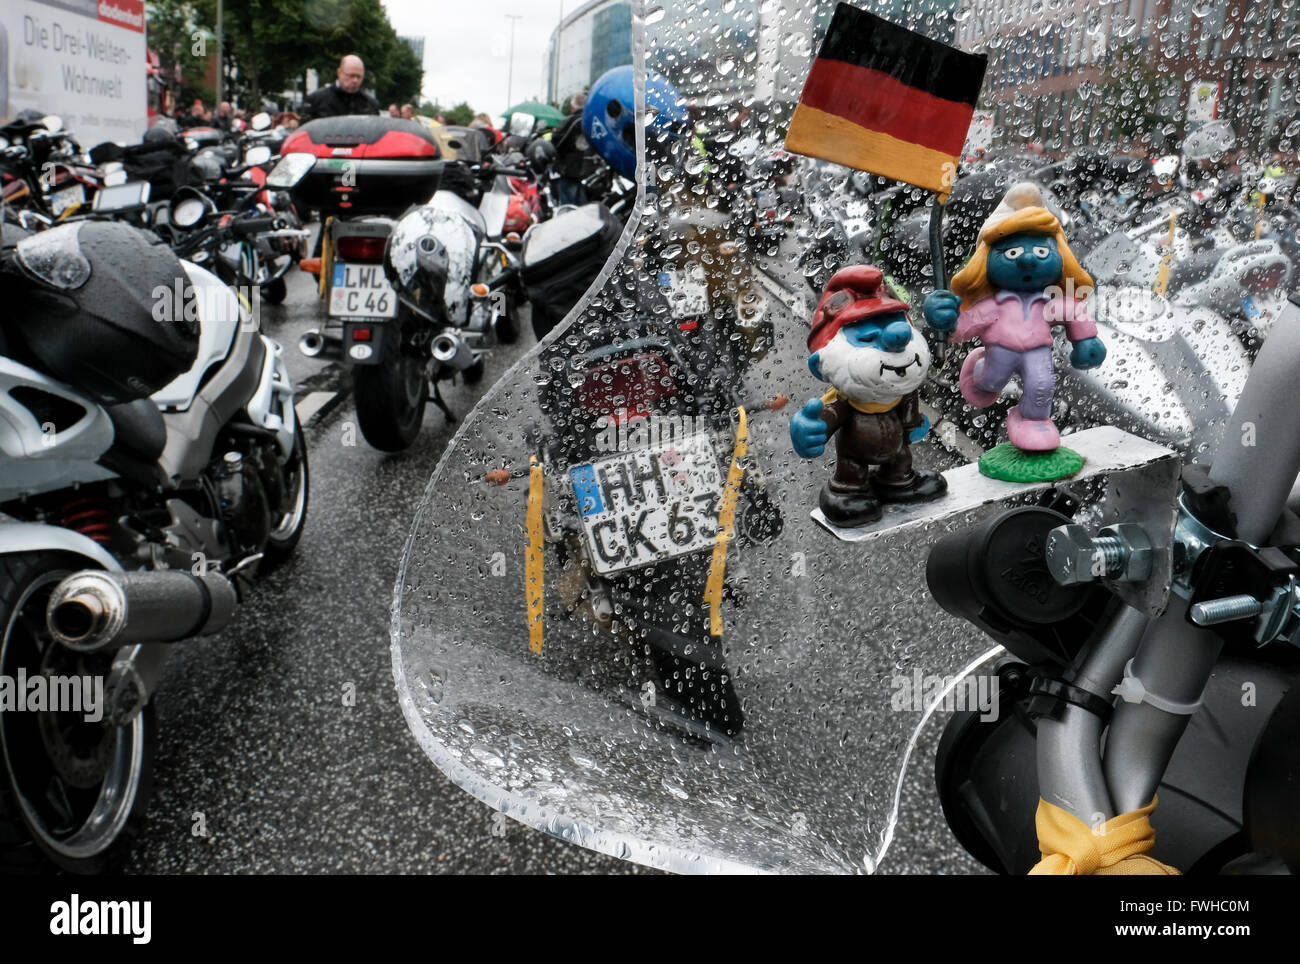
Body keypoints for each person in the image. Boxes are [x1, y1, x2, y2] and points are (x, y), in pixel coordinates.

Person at [301, 54, 380, 120]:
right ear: (339, 73)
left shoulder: (370, 104)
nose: (355, 80)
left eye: (359, 77)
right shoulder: (316, 100)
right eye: (351, 76)